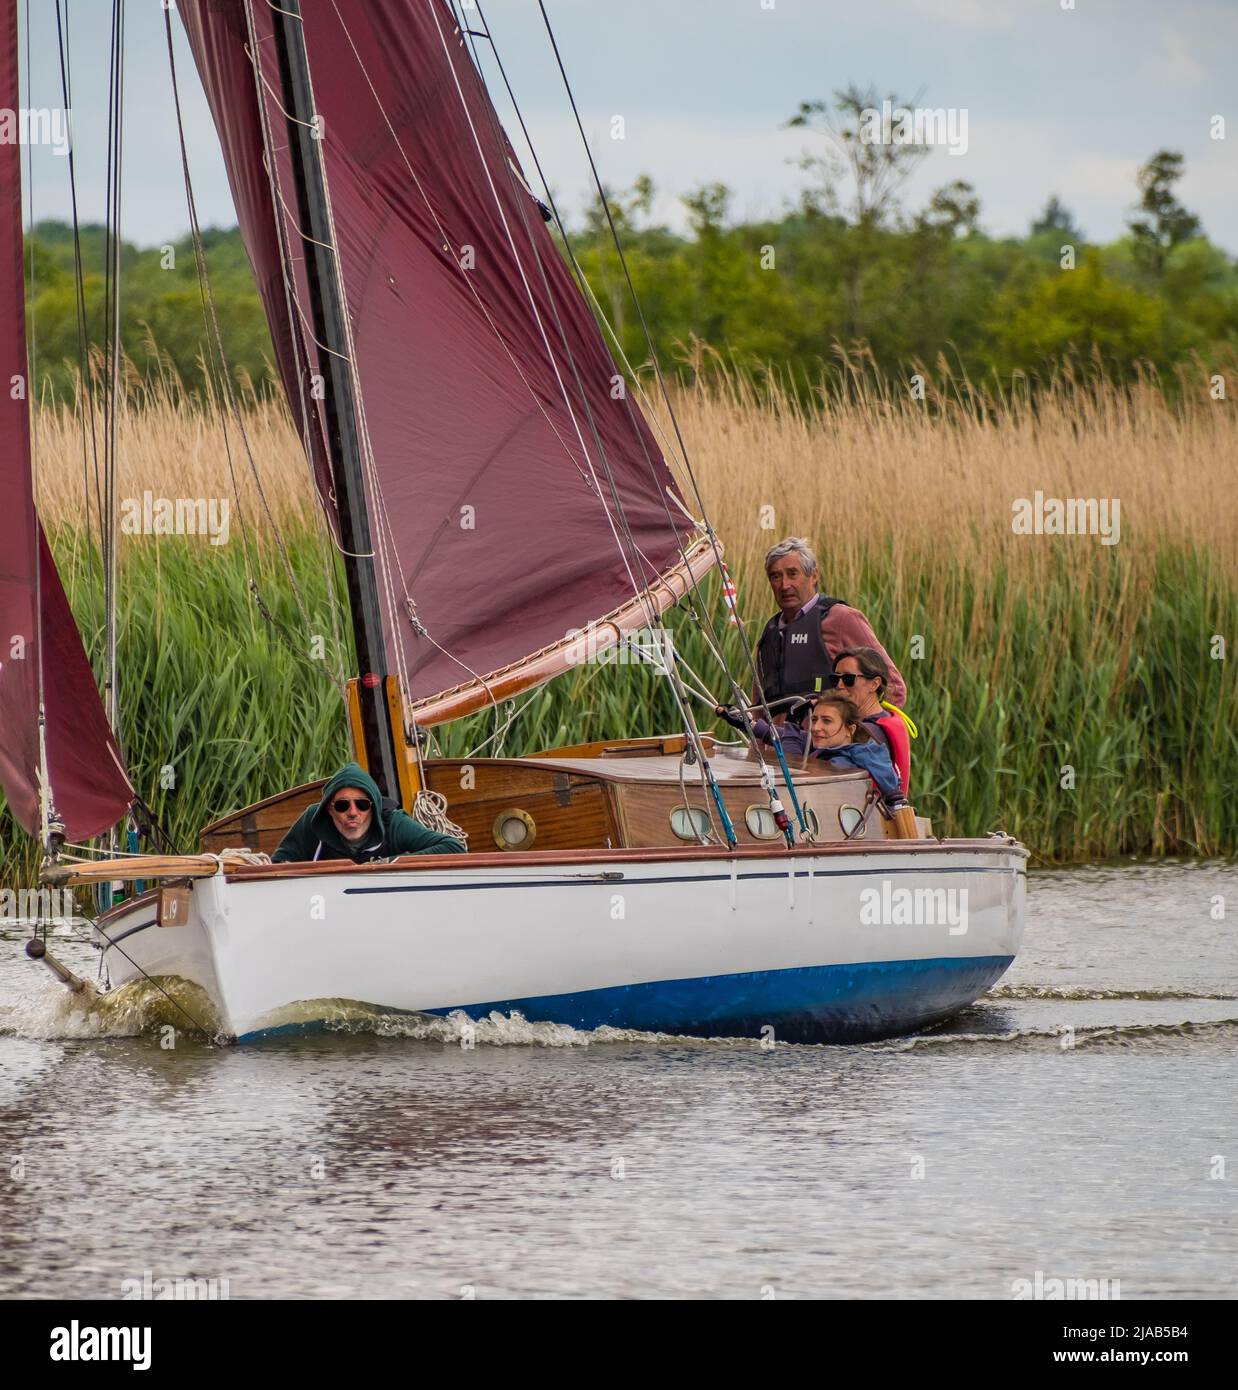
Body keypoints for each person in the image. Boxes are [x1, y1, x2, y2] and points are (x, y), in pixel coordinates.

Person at [754, 537, 906, 713]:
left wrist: (862, 734)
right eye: (775, 577)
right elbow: (758, 709)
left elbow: (894, 688)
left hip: (835, 740)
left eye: (792, 573)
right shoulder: (769, 633)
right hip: (777, 740)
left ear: (814, 576)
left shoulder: (842, 619)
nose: (784, 585)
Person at [272, 762, 466, 864]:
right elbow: (278, 865)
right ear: (330, 809)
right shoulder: (313, 821)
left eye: (362, 805)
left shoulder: (393, 823)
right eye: (342, 806)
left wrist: (388, 864)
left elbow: (453, 847)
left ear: (373, 807)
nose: (353, 812)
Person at [831, 646, 914, 794]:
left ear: (874, 684)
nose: (839, 685)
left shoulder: (868, 733)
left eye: (848, 679)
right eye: (835, 678)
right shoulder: (886, 720)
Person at [802, 692, 904, 802]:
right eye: (814, 720)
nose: (815, 727)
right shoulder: (869, 758)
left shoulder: (840, 766)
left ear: (850, 730)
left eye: (827, 721)